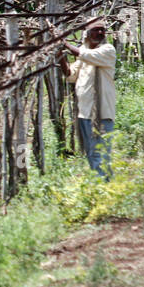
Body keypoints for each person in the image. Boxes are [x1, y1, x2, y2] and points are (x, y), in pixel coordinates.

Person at [61, 17, 116, 179]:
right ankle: (99, 189)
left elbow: (84, 55)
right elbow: (70, 75)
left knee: (101, 155)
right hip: (85, 113)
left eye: (102, 30)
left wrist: (64, 43)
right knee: (91, 154)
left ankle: (106, 188)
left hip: (101, 113)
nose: (100, 32)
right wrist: (60, 56)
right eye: (96, 29)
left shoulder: (107, 50)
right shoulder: (84, 52)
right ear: (87, 33)